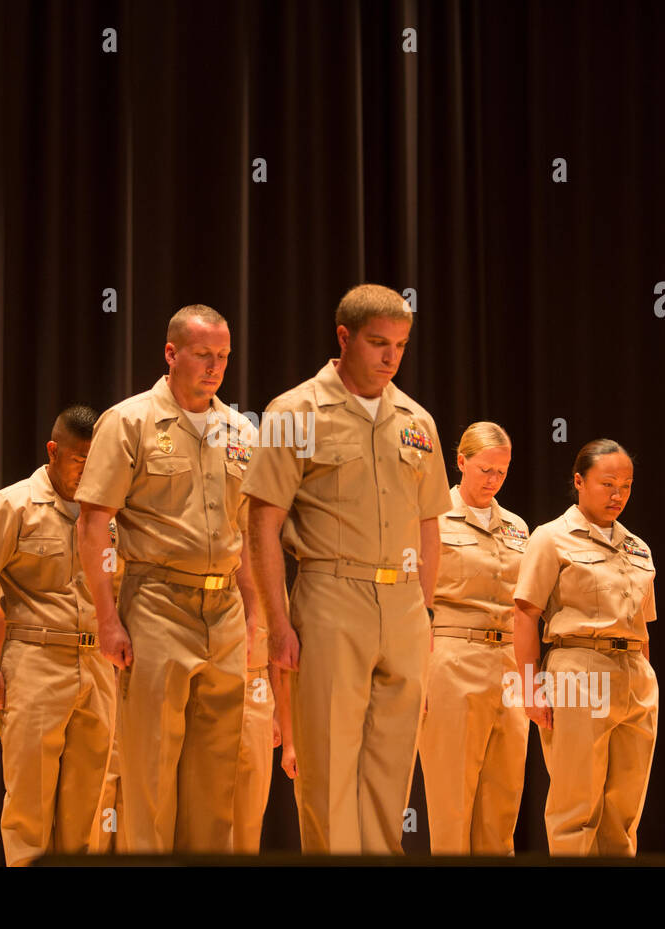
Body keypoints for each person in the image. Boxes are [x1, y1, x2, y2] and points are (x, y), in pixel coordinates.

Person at [244, 283, 450, 854]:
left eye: (401, 346)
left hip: (404, 604)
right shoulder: (294, 412)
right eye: (378, 343)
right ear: (344, 337)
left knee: (391, 776)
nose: (390, 358)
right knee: (330, 773)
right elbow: (262, 523)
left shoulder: (417, 420)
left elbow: (430, 523)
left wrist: (427, 610)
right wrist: (277, 625)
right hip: (331, 595)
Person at [76, 305, 260, 853]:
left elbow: (245, 528)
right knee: (151, 772)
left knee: (217, 775)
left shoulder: (239, 429)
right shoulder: (129, 421)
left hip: (224, 610)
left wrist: (256, 616)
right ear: (171, 353)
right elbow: (93, 524)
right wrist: (107, 618)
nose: (215, 367)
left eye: (224, 356)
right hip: (156, 601)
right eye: (204, 354)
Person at [0, 406, 117, 863]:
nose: (86, 470)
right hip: (35, 660)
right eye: (77, 459)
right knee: (29, 808)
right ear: (53, 451)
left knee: (88, 810)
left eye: (94, 459)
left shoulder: (109, 512)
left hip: (98, 666)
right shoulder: (14, 504)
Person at [513, 439, 658, 856]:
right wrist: (529, 687)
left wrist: (645, 680)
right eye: (607, 483)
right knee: (576, 805)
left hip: (634, 674)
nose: (618, 495)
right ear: (579, 481)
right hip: (579, 667)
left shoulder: (638, 546)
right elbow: (524, 614)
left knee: (625, 811)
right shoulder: (551, 538)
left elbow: (642, 626)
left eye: (626, 486)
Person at [418, 422, 530, 855]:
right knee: (452, 807)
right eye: (485, 469)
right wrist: (419, 673)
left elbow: (527, 606)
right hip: (451, 659)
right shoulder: (431, 517)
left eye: (501, 472)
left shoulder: (518, 527)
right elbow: (413, 599)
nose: (492, 480)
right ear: (461, 461)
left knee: (502, 808)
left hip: (508, 665)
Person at [234, 620, 276, 852]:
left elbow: (279, 638)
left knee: (250, 817)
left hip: (257, 683)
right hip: (210, 675)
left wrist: (279, 712)